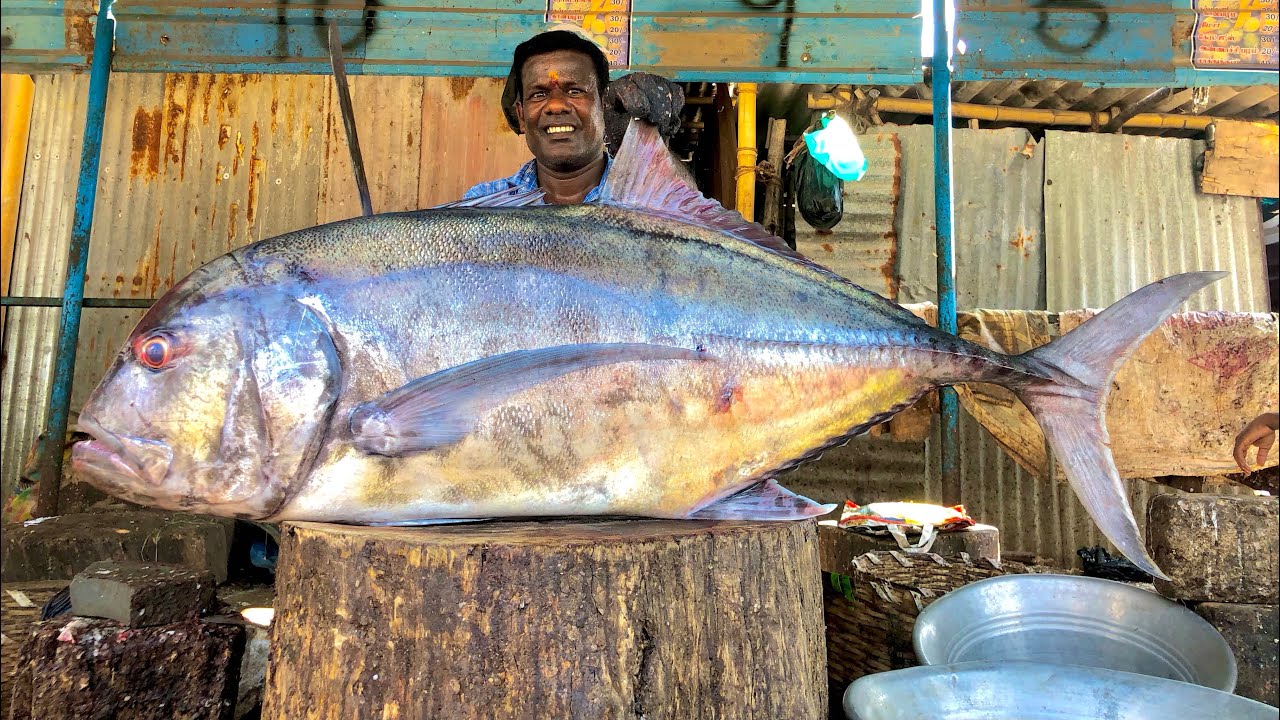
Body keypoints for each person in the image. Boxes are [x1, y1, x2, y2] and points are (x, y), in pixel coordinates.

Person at [463, 29, 684, 205]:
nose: (556, 105)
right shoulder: (484, 204)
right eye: (539, 94)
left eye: (575, 91)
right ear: (521, 116)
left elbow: (692, 222)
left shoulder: (646, 198)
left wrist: (653, 151)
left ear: (603, 105)